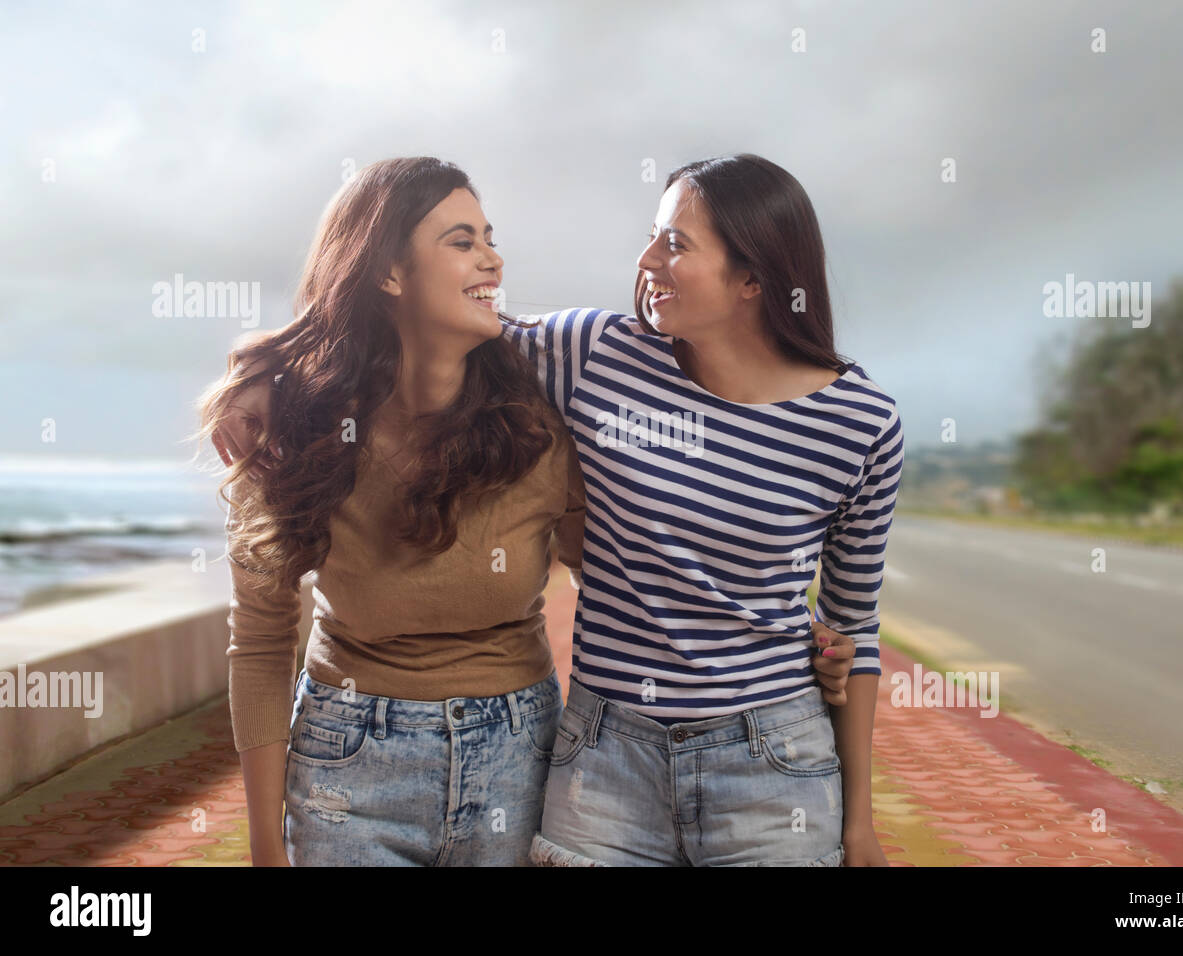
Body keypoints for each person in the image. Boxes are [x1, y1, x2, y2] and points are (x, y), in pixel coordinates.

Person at [209, 154, 892, 866]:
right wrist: (261, 366)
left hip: (734, 750)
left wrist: (858, 811)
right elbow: (391, 327)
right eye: (655, 235)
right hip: (584, 756)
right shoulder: (595, 355)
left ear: (753, 279)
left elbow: (852, 622)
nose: (646, 258)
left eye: (676, 244)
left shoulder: (860, 422)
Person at [197, 156, 586, 866]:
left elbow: (618, 583)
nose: (494, 261)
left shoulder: (543, 419)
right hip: (347, 766)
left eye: (490, 239)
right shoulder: (293, 428)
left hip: (519, 760)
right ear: (388, 273)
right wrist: (263, 847)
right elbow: (259, 640)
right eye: (462, 242)